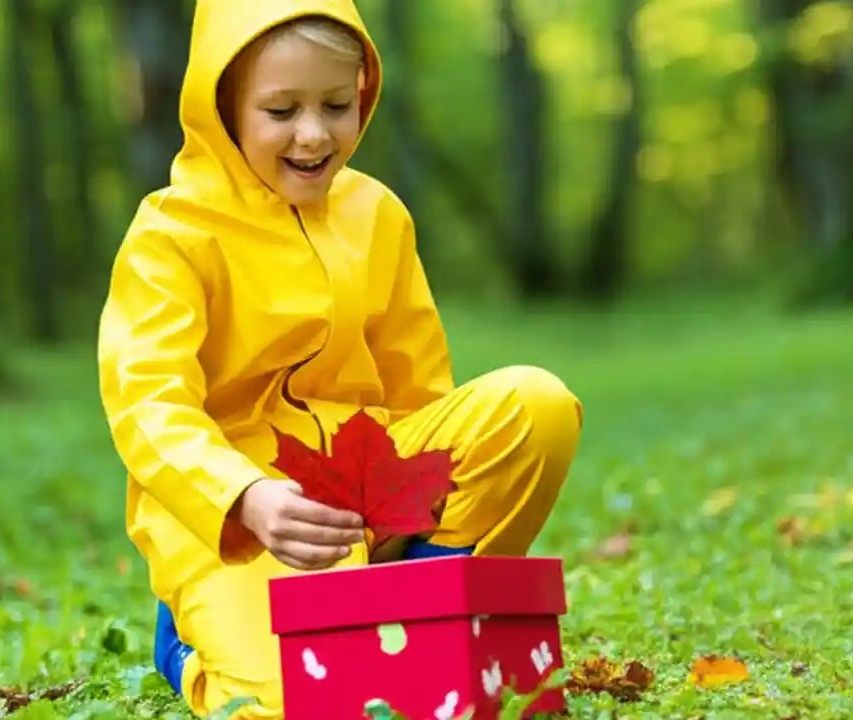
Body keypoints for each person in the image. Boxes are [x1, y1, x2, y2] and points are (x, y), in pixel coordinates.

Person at [96, 0, 583, 717]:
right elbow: (147, 404)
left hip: (367, 494)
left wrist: (410, 499)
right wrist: (243, 498)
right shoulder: (171, 233)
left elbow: (419, 390)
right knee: (296, 700)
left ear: (363, 94)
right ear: (222, 107)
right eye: (281, 110)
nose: (315, 134)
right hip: (247, 517)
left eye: (335, 103)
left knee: (534, 406)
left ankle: (413, 604)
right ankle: (189, 644)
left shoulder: (377, 213)